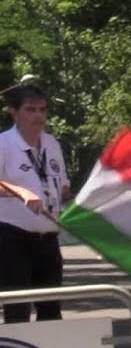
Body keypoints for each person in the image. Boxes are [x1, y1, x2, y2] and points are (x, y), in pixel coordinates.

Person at [0, 85, 71, 323]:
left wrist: (71, 196)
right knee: (18, 310)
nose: (38, 116)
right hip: (12, 237)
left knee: (51, 310)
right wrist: (20, 192)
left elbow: (61, 184)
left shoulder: (52, 143)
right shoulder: (4, 143)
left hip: (48, 237)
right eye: (30, 110)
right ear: (15, 112)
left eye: (42, 110)